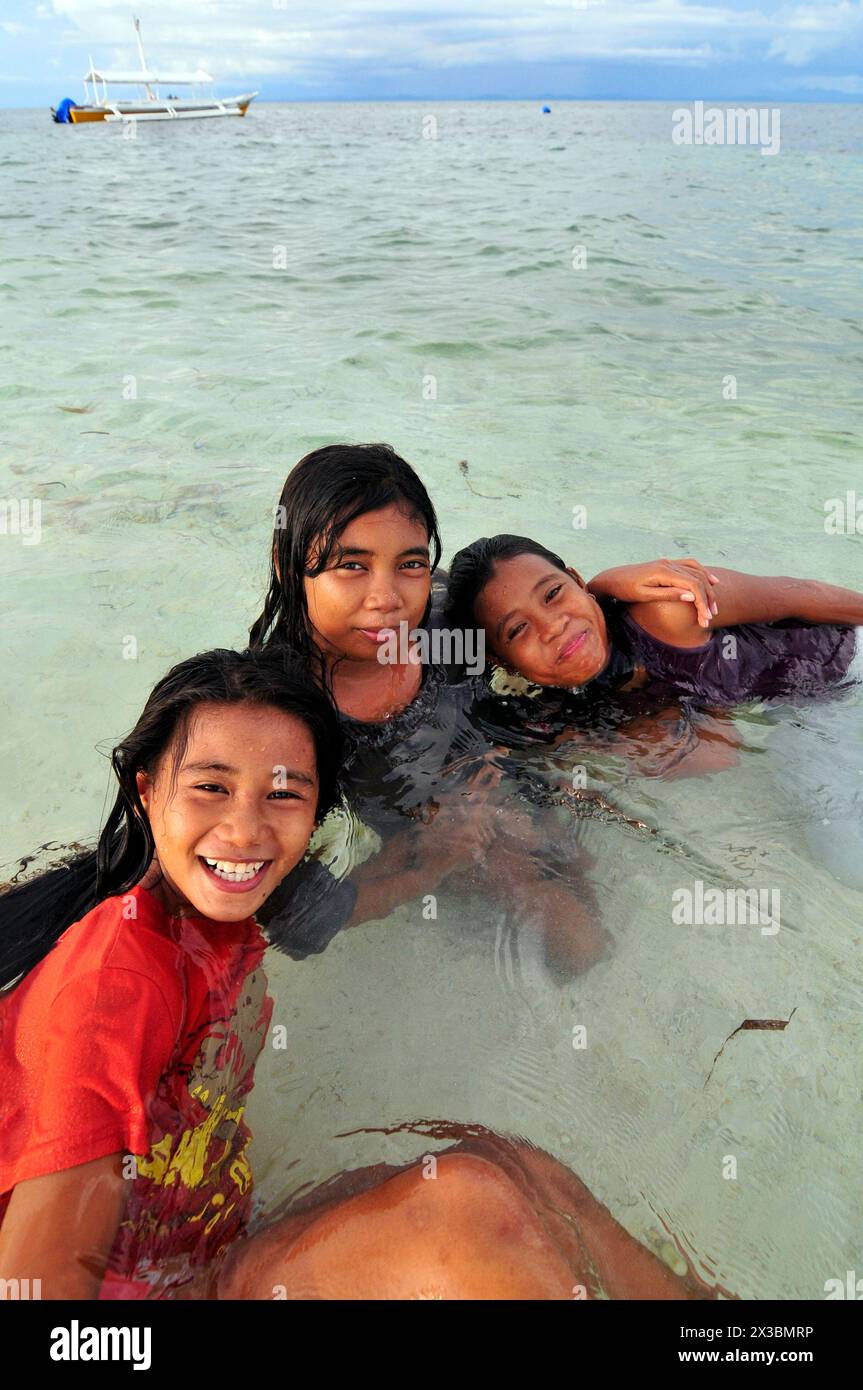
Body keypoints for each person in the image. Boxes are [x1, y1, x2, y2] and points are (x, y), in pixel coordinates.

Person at [444, 534, 863, 706]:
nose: (552, 626)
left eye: (553, 594)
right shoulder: (552, 706)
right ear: (502, 660)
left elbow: (795, 595)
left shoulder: (669, 608)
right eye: (518, 629)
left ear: (577, 580)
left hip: (839, 661)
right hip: (787, 705)